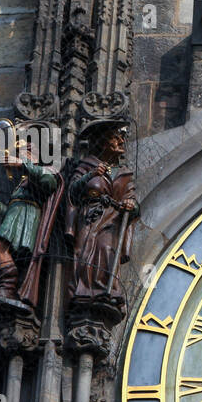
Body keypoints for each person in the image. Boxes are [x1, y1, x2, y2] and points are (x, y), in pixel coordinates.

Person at [0, 128, 59, 305]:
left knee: (0, 246)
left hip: (28, 216)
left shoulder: (45, 171)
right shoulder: (22, 182)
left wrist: (23, 164)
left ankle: (8, 289)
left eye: (26, 152)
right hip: (18, 215)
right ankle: (9, 289)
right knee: (3, 247)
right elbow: (12, 210)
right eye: (20, 154)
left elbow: (49, 183)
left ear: (36, 157)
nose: (21, 156)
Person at [65, 123, 137, 306]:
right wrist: (90, 175)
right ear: (104, 143)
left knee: (106, 249)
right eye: (116, 137)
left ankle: (106, 289)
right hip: (89, 216)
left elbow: (133, 202)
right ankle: (83, 289)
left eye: (122, 138)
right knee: (83, 250)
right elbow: (72, 192)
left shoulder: (124, 173)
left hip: (112, 218)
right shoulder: (87, 165)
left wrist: (130, 204)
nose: (122, 141)